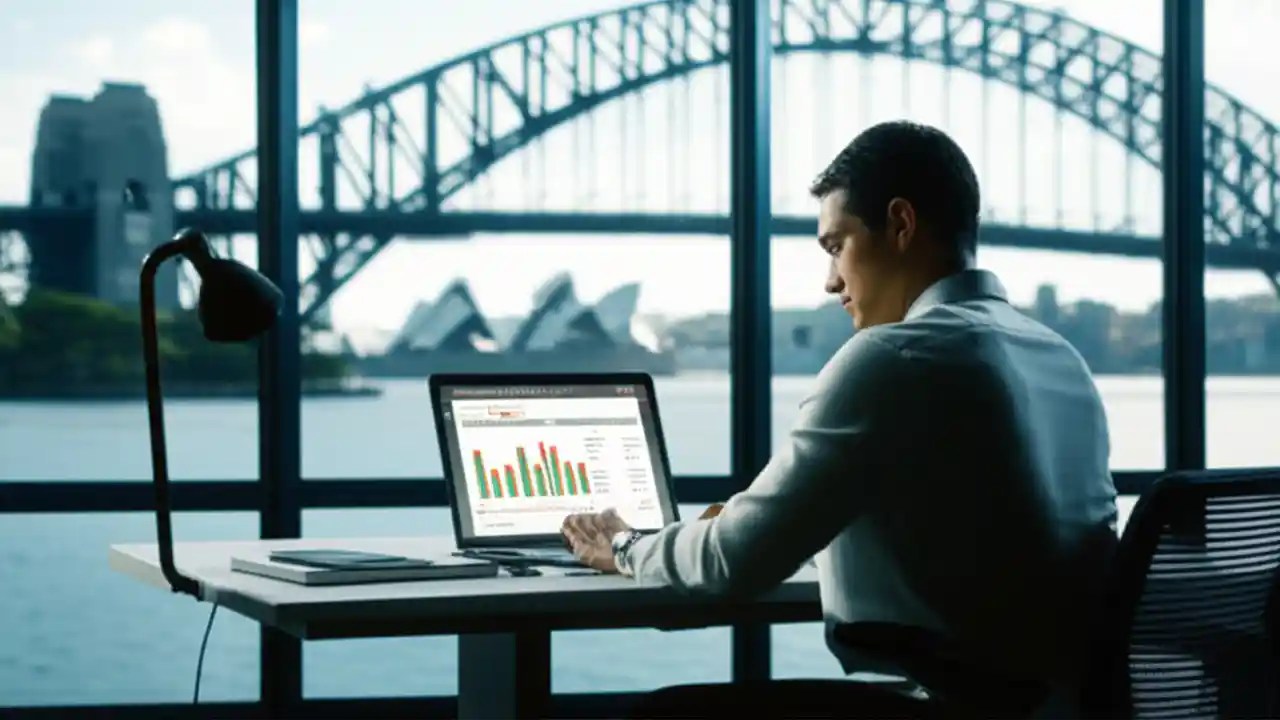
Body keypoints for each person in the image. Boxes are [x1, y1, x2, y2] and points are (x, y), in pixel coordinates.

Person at [562, 120, 1118, 719]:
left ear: (901, 225)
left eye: (836, 246)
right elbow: (986, 537)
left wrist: (624, 544)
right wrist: (772, 521)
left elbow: (729, 566)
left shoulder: (892, 358)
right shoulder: (1062, 359)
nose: (831, 282)